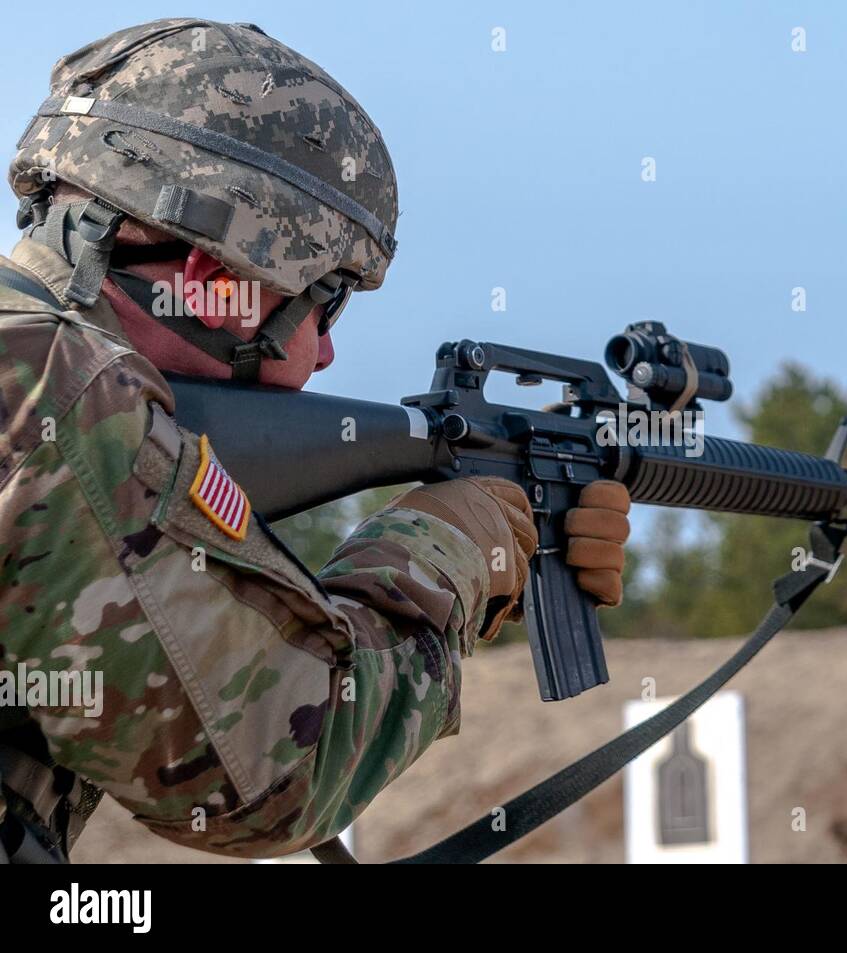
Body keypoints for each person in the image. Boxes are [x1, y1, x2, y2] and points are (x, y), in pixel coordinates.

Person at [0, 18, 631, 863]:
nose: (326, 350)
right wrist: (447, 547)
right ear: (213, 280)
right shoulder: (58, 391)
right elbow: (278, 772)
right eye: (325, 299)